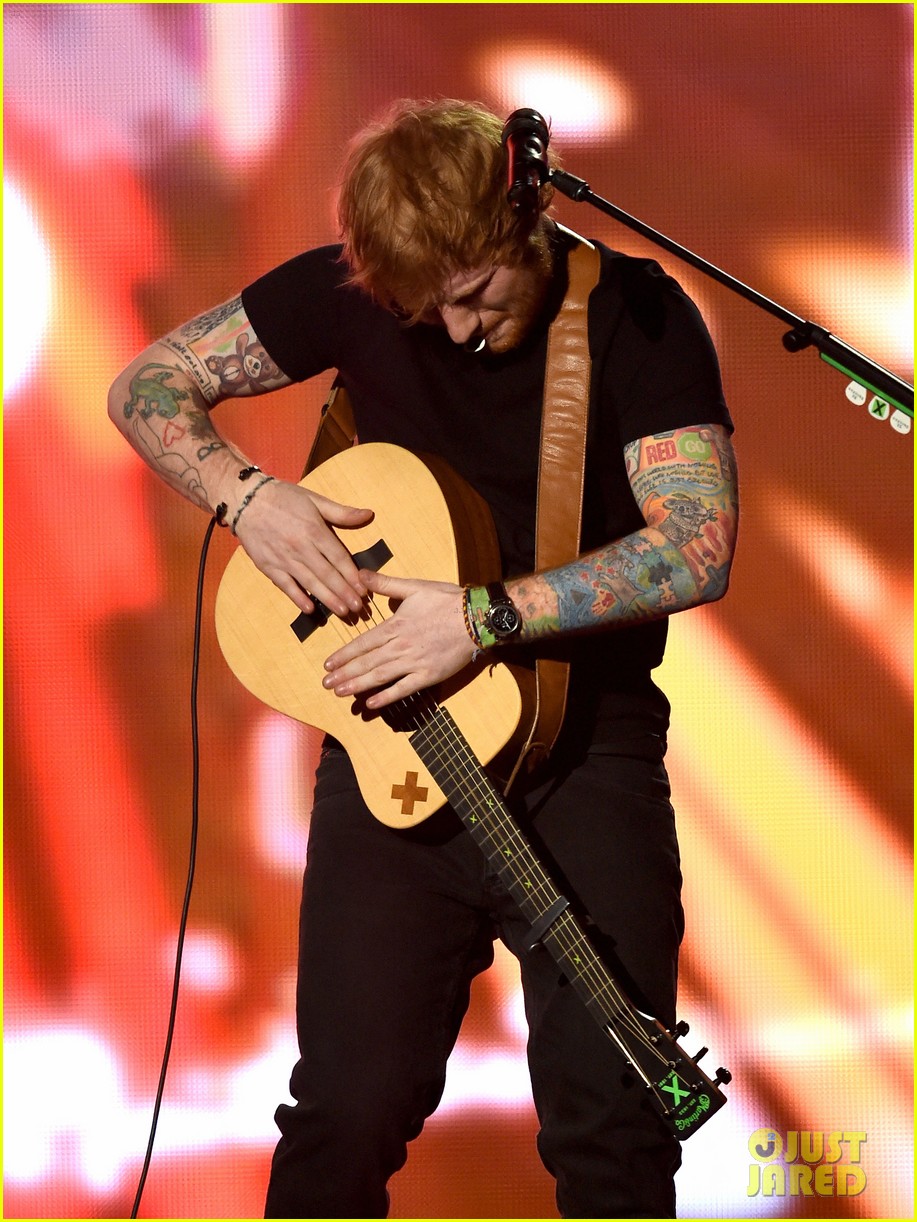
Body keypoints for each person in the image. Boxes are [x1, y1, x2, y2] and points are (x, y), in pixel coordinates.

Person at [108, 97, 738, 1219]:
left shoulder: (635, 317)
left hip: (581, 758)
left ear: (524, 217)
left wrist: (483, 619)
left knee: (612, 1133)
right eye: (420, 307)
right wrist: (248, 498)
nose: (451, 330)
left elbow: (696, 543)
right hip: (392, 754)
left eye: (475, 292)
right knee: (342, 1116)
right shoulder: (361, 288)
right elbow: (146, 384)